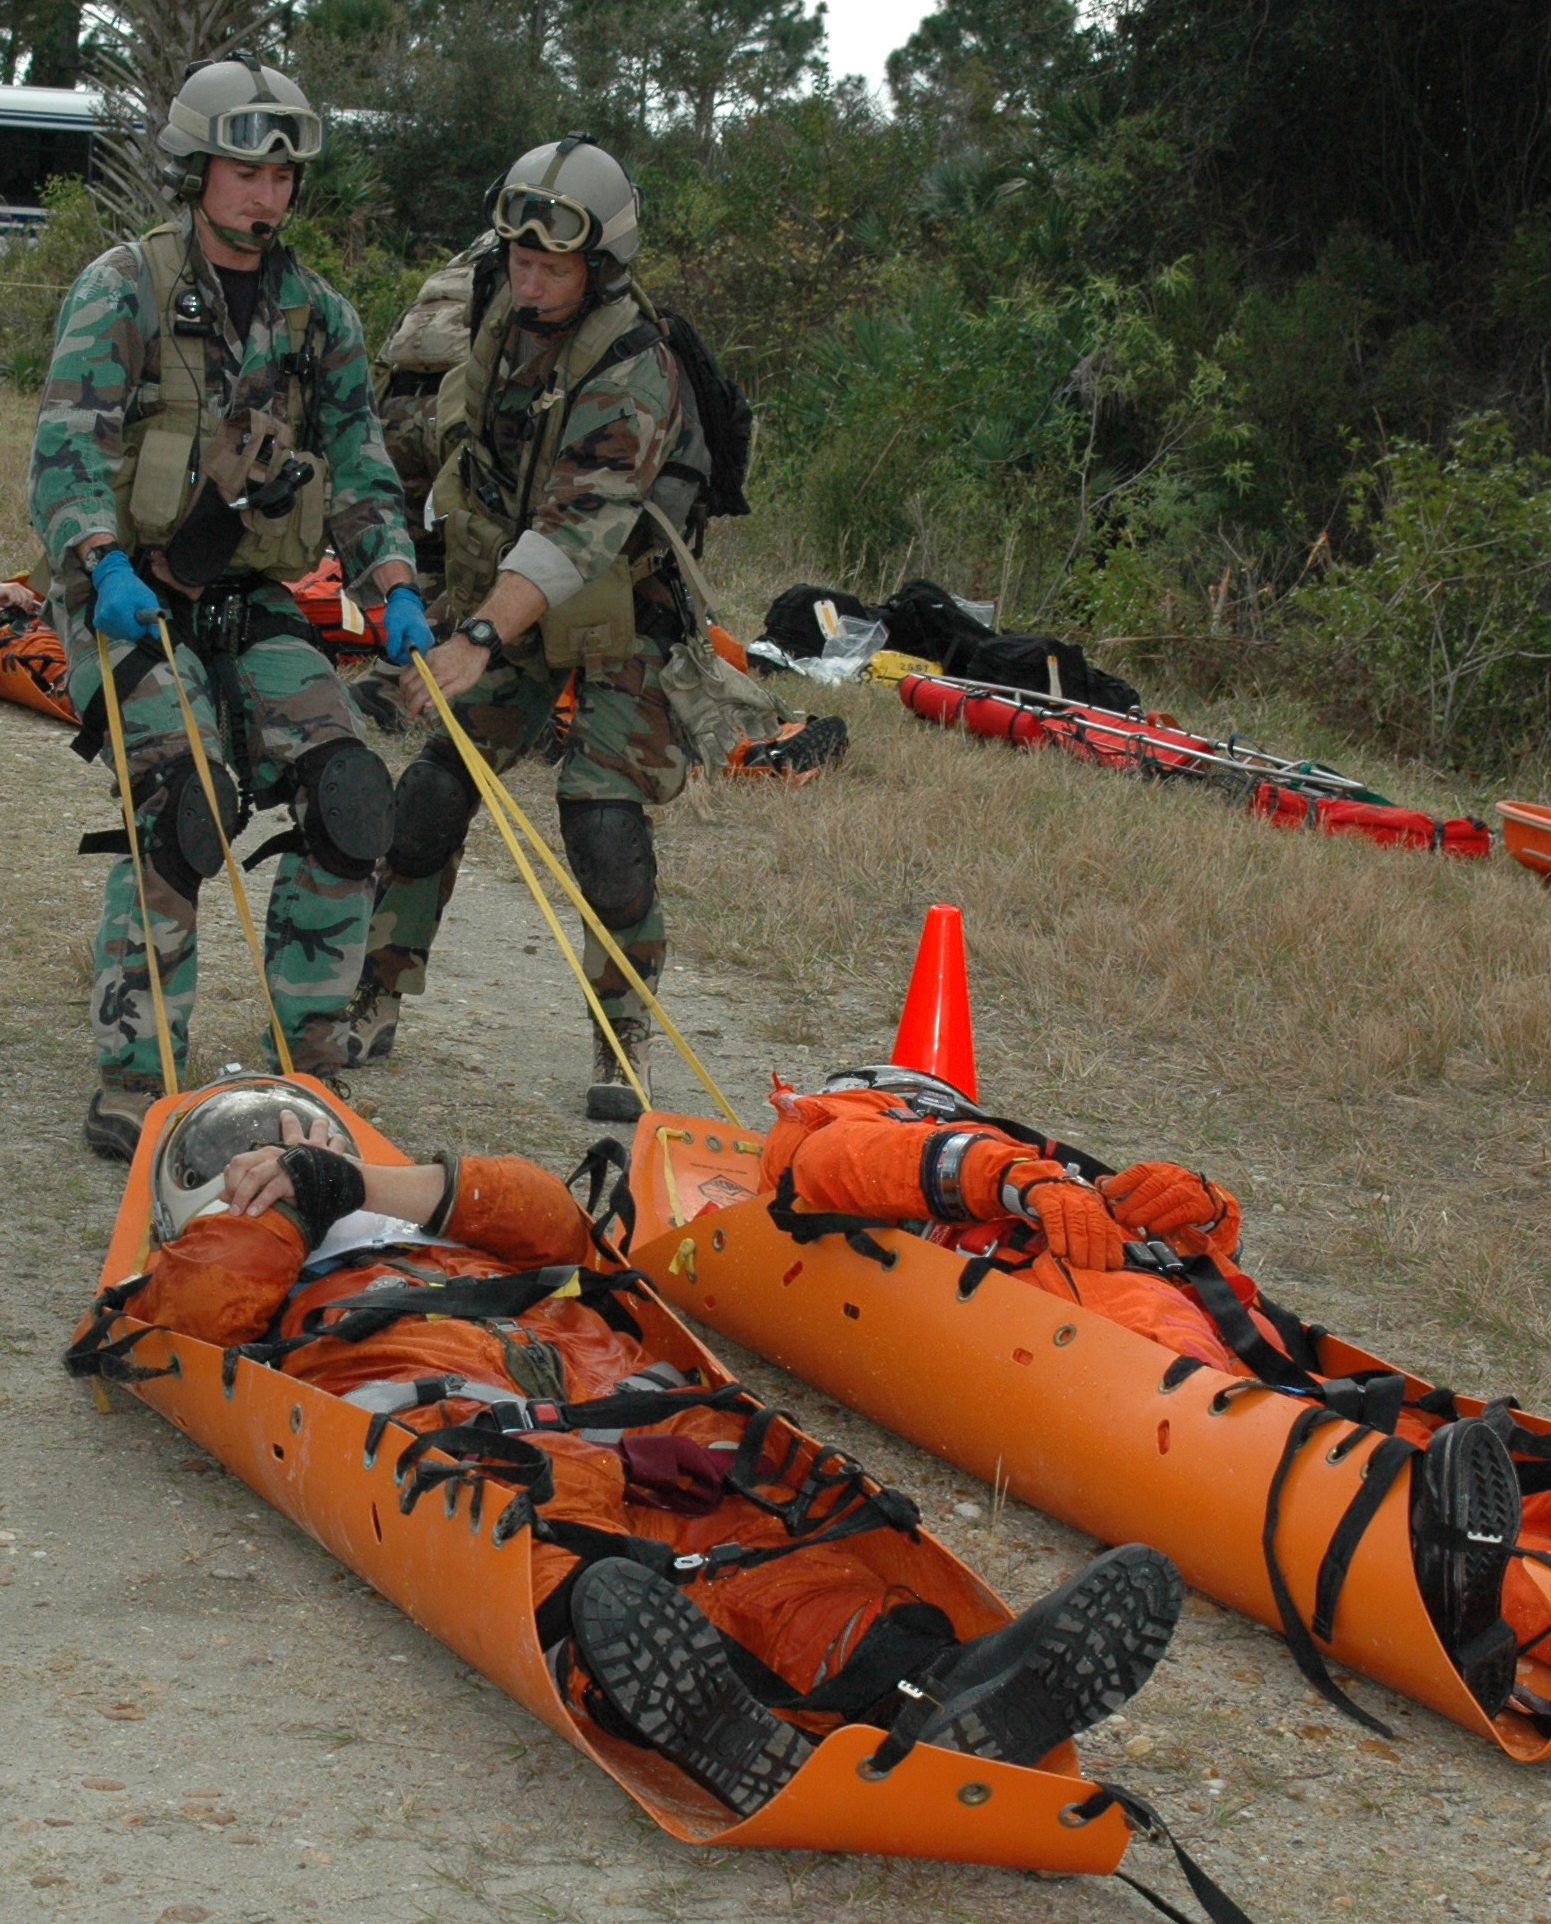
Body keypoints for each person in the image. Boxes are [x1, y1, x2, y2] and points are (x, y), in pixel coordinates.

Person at [124, 1076, 1184, 1817]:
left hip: (638, 1415)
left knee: (770, 1537)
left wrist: (361, 1187)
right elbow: (191, 1314)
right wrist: (281, 1217)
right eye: (245, 1155)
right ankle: (727, 1725)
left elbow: (549, 1218)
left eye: (290, 1140)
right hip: (488, 1446)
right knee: (579, 1564)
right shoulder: (249, 1269)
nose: (272, 1155)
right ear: (197, 1199)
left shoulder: (425, 1215)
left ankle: (936, 1686)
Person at [759, 1065, 1541, 1723]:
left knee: (1388, 1433)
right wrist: (1009, 1179)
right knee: (1339, 1467)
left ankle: (1487, 1554)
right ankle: (1487, 1597)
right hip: (1100, 1322)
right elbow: (848, 1162)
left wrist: (1199, 1210)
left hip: (1214, 1324)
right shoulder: (847, 1127)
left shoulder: (1026, 1160)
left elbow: (1156, 1235)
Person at [27, 51, 434, 1161]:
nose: (266, 195)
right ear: (196, 170)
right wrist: (100, 559)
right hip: (129, 593)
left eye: (283, 177)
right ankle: (138, 1066)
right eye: (245, 172)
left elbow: (359, 468)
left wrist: (392, 583)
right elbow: (67, 450)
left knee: (351, 795)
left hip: (251, 593)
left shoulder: (320, 317)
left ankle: (312, 1060)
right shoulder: (127, 287)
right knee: (184, 795)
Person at [348, 134, 707, 1123]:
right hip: (505, 597)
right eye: (522, 259)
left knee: (602, 819)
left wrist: (477, 640)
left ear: (600, 268)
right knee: (430, 791)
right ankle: (375, 984)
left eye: (555, 266)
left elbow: (580, 528)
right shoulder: (491, 312)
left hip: (617, 611)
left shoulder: (634, 365)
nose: (533, 279)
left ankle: (623, 1030)